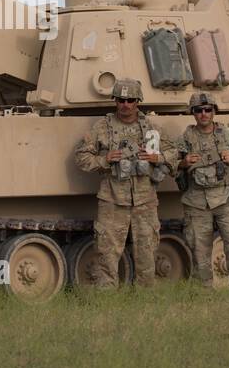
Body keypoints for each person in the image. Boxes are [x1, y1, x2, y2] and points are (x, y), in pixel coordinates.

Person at [74, 79, 178, 288]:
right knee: (107, 254)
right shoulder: (103, 127)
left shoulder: (151, 128)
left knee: (147, 252)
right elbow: (81, 156)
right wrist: (105, 159)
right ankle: (107, 300)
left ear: (137, 101)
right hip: (112, 199)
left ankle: (145, 302)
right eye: (121, 100)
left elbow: (175, 153)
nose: (126, 105)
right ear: (116, 101)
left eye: (130, 100)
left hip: (145, 200)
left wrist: (157, 158)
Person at [179, 92, 229, 287]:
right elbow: (168, 165)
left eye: (208, 110)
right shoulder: (186, 138)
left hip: (226, 199)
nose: (203, 114)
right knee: (199, 252)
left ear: (214, 112)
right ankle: (205, 296)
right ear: (193, 113)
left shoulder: (228, 135)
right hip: (196, 202)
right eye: (198, 110)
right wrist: (183, 163)